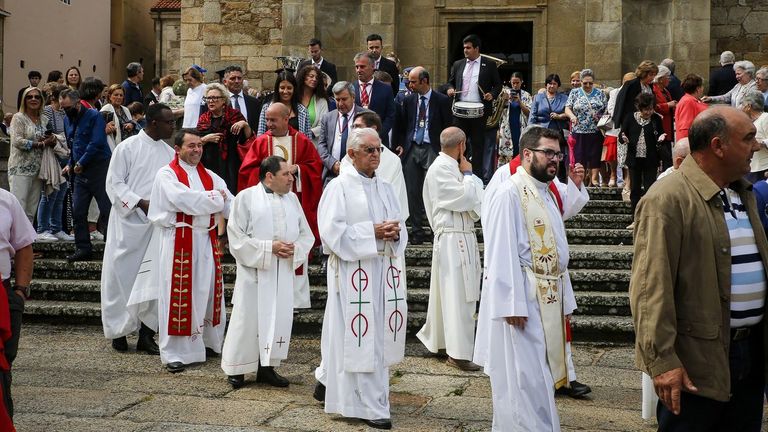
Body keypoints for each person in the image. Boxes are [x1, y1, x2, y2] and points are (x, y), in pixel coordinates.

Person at [631, 106, 767, 431]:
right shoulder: (668, 198)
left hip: (750, 353)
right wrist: (663, 360)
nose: (757, 145)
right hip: (696, 361)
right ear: (718, 146)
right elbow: (650, 287)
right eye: (748, 138)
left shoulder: (743, 193)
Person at [475, 126, 581, 431]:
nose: (555, 159)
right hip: (523, 297)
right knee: (525, 378)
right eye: (548, 152)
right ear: (527, 154)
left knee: (540, 376)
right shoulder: (509, 192)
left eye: (557, 154)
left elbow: (556, 250)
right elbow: (500, 249)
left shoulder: (546, 192)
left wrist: (565, 297)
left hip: (547, 297)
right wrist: (511, 303)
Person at [313, 127, 407, 430]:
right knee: (358, 337)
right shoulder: (339, 188)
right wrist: (373, 232)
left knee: (376, 337)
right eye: (369, 150)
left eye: (378, 149)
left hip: (381, 271)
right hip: (352, 274)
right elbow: (331, 234)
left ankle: (366, 396)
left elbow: (399, 224)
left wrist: (395, 234)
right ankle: (367, 405)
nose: (376, 154)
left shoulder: (386, 187)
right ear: (352, 154)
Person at [221, 155, 314, 388]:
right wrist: (269, 248)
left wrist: (294, 249)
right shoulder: (245, 198)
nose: (292, 178)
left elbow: (306, 234)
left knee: (277, 319)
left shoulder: (292, 199)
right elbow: (236, 238)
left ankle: (267, 368)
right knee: (247, 320)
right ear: (269, 176)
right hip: (255, 272)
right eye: (286, 174)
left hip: (281, 273)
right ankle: (237, 368)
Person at [144, 129, 233, 373]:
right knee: (178, 294)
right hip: (179, 239)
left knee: (206, 290)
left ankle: (208, 342)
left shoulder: (210, 175)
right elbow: (185, 200)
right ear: (178, 149)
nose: (197, 150)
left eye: (199, 146)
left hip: (206, 239)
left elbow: (230, 203)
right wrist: (215, 198)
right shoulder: (167, 174)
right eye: (191, 146)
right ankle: (175, 352)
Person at [100, 103, 176, 355]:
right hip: (128, 223)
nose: (173, 126)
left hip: (155, 226)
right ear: (154, 123)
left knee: (152, 279)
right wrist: (139, 202)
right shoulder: (127, 147)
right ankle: (119, 332)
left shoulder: (169, 153)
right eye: (169, 122)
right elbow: (114, 183)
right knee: (121, 277)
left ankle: (146, 334)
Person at [239, 102, 322, 308]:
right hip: (265, 207)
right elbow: (247, 171)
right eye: (267, 119)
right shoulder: (260, 142)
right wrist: (266, 179)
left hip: (294, 202)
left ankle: (292, 302)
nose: (269, 124)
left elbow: (315, 167)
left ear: (286, 119)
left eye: (273, 120)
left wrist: (298, 170)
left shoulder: (302, 141)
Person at [416, 126, 483, 371]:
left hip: (461, 236)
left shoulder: (453, 167)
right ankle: (458, 354)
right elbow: (468, 198)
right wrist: (469, 176)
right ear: (461, 145)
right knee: (458, 297)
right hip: (453, 239)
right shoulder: (441, 169)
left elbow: (479, 199)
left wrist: (468, 179)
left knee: (452, 295)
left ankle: (444, 343)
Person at [396, 67, 451, 245]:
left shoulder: (442, 100)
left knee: (435, 190)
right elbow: (403, 125)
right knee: (412, 191)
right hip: (412, 147)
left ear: (424, 81)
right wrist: (401, 144)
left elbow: (448, 125)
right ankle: (417, 231)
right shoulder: (408, 100)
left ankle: (437, 230)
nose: (409, 85)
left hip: (432, 148)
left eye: (413, 82)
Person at [60, 88, 112, 262]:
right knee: (78, 212)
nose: (65, 111)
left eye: (68, 107)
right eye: (63, 108)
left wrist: (81, 162)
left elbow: (97, 142)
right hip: (79, 170)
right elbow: (72, 144)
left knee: (107, 209)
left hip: (98, 167)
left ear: (77, 103)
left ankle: (112, 247)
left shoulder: (94, 116)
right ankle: (83, 248)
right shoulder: (67, 119)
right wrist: (70, 164)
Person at [0, 188, 35, 429]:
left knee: (3, 366)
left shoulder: (6, 200)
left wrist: (20, 292)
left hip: (3, 295)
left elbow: (24, 246)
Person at [447, 34, 502, 182]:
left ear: (476, 48)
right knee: (459, 144)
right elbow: (450, 82)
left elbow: (498, 85)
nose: (465, 50)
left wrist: (492, 94)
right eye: (464, 47)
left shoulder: (489, 64)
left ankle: (476, 178)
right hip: (460, 112)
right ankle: (458, 175)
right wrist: (450, 89)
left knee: (478, 146)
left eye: (468, 48)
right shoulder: (458, 64)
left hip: (479, 112)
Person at [8, 87, 55, 223]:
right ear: (24, 100)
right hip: (20, 168)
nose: (33, 99)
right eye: (29, 97)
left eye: (37, 97)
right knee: (18, 206)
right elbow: (17, 141)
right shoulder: (18, 117)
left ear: (42, 100)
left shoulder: (44, 119)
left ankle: (27, 236)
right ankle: (15, 235)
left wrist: (52, 140)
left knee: (31, 210)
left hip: (38, 169)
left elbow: (49, 137)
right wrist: (40, 144)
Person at [196, 83, 252, 194]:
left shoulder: (235, 115)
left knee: (231, 192)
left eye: (215, 98)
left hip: (232, 163)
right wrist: (206, 139)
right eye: (208, 98)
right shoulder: (203, 119)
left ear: (223, 100)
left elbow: (248, 139)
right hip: (209, 162)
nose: (211, 101)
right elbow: (196, 142)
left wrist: (244, 124)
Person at [620, 93, 663, 229]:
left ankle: (650, 219)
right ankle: (635, 219)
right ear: (639, 108)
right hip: (634, 159)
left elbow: (661, 134)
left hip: (651, 159)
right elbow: (622, 134)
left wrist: (661, 138)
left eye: (651, 109)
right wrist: (624, 138)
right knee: (635, 190)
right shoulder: (630, 118)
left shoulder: (656, 119)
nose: (648, 112)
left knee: (650, 190)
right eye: (646, 109)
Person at [37, 84, 73, 242]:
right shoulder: (47, 111)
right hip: (52, 155)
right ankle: (42, 229)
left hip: (63, 153)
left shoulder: (64, 112)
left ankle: (56, 228)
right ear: (55, 98)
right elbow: (48, 133)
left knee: (61, 193)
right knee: (49, 193)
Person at [317, 81, 364, 186]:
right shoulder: (327, 118)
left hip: (358, 175)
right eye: (337, 100)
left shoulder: (365, 116)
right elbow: (321, 145)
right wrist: (332, 163)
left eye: (344, 99)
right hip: (332, 174)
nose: (340, 104)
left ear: (353, 97)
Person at [565, 69, 607, 186]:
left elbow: (606, 110)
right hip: (579, 129)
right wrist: (572, 116)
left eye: (590, 83)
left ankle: (594, 179)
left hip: (596, 130)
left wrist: (600, 117)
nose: (588, 85)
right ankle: (580, 179)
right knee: (579, 155)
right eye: (585, 83)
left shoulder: (600, 93)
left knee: (595, 155)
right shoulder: (575, 92)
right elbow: (567, 108)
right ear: (581, 81)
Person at [529, 73, 569, 181]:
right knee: (542, 155)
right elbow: (532, 116)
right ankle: (541, 177)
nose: (552, 86)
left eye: (554, 84)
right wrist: (530, 132)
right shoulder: (538, 98)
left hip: (557, 132)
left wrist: (559, 116)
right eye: (549, 83)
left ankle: (560, 180)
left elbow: (569, 113)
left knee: (558, 156)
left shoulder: (564, 98)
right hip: (541, 132)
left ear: (558, 85)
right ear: (546, 85)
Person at [352, 52, 396, 148]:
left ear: (373, 66)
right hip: (356, 141)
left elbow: (390, 115)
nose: (359, 70)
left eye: (362, 67)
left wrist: (378, 134)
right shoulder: (351, 88)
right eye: (357, 67)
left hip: (379, 141)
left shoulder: (385, 89)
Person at [256, 70, 311, 138]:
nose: (285, 91)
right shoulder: (266, 108)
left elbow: (308, 138)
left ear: (294, 89)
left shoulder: (303, 111)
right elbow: (260, 136)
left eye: (289, 88)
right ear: (277, 89)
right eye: (282, 88)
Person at [498, 72, 532, 164]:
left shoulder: (526, 95)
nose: (515, 85)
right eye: (513, 83)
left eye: (517, 83)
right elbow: (498, 112)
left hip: (520, 127)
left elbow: (529, 113)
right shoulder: (504, 94)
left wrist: (519, 102)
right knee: (507, 153)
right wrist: (504, 101)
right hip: (507, 127)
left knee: (520, 150)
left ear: (521, 82)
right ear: (510, 82)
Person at [297, 64, 333, 146]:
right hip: (293, 141)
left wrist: (308, 134)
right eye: (311, 76)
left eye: (317, 78)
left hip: (312, 144)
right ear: (303, 77)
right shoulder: (294, 97)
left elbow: (323, 124)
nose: (314, 79)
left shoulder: (322, 101)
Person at [222, 66, 261, 132]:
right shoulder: (221, 102)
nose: (237, 81)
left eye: (239, 78)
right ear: (225, 82)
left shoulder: (254, 102)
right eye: (233, 78)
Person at [653, 65, 676, 171]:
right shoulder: (654, 90)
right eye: (667, 77)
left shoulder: (665, 91)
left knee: (668, 155)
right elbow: (654, 107)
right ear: (661, 79)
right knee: (665, 155)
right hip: (660, 126)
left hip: (668, 126)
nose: (669, 79)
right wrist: (668, 105)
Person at [100, 84, 137, 151]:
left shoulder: (125, 109)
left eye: (121, 95)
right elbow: (99, 129)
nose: (119, 97)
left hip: (126, 146)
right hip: (112, 147)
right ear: (110, 96)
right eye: (116, 95)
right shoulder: (106, 109)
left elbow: (131, 122)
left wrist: (131, 125)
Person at [742, 90, 768, 182]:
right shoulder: (749, 121)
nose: (741, 107)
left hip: (763, 168)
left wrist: (761, 143)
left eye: (743, 104)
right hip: (751, 167)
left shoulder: (765, 118)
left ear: (749, 106)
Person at [675, 73, 708, 141]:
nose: (703, 88)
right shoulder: (688, 102)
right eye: (702, 86)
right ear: (698, 88)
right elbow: (685, 128)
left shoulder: (691, 100)